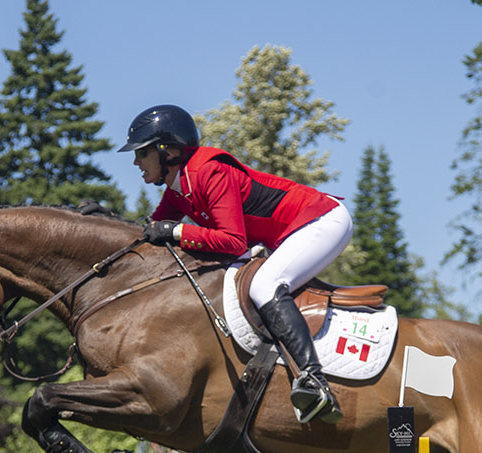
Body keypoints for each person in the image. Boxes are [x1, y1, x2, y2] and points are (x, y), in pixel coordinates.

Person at [121, 104, 351, 425]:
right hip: (290, 233)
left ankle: (314, 381)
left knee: (264, 285)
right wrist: (104, 221)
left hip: (321, 220)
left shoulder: (209, 171)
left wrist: (177, 230)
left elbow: (233, 242)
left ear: (168, 151)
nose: (135, 161)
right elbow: (152, 232)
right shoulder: (178, 188)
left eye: (142, 153)